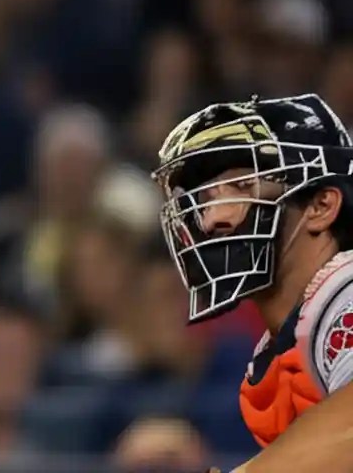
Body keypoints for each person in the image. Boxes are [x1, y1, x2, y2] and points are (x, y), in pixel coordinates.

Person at [151, 93, 353, 472]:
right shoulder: (284, 343)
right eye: (208, 199)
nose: (212, 221)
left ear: (321, 206)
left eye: (242, 189)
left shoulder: (345, 293)